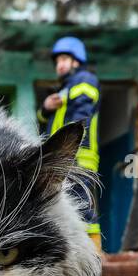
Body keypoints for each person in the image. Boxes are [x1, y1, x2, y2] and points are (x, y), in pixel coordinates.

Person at [38, 36, 101, 248]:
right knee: (67, 205)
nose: (60, 65)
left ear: (77, 61)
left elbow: (81, 114)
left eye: (65, 59)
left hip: (78, 157)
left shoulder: (84, 80)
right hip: (62, 158)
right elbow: (44, 121)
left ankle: (94, 257)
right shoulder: (63, 89)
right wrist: (46, 108)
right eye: (57, 61)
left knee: (80, 205)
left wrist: (64, 97)